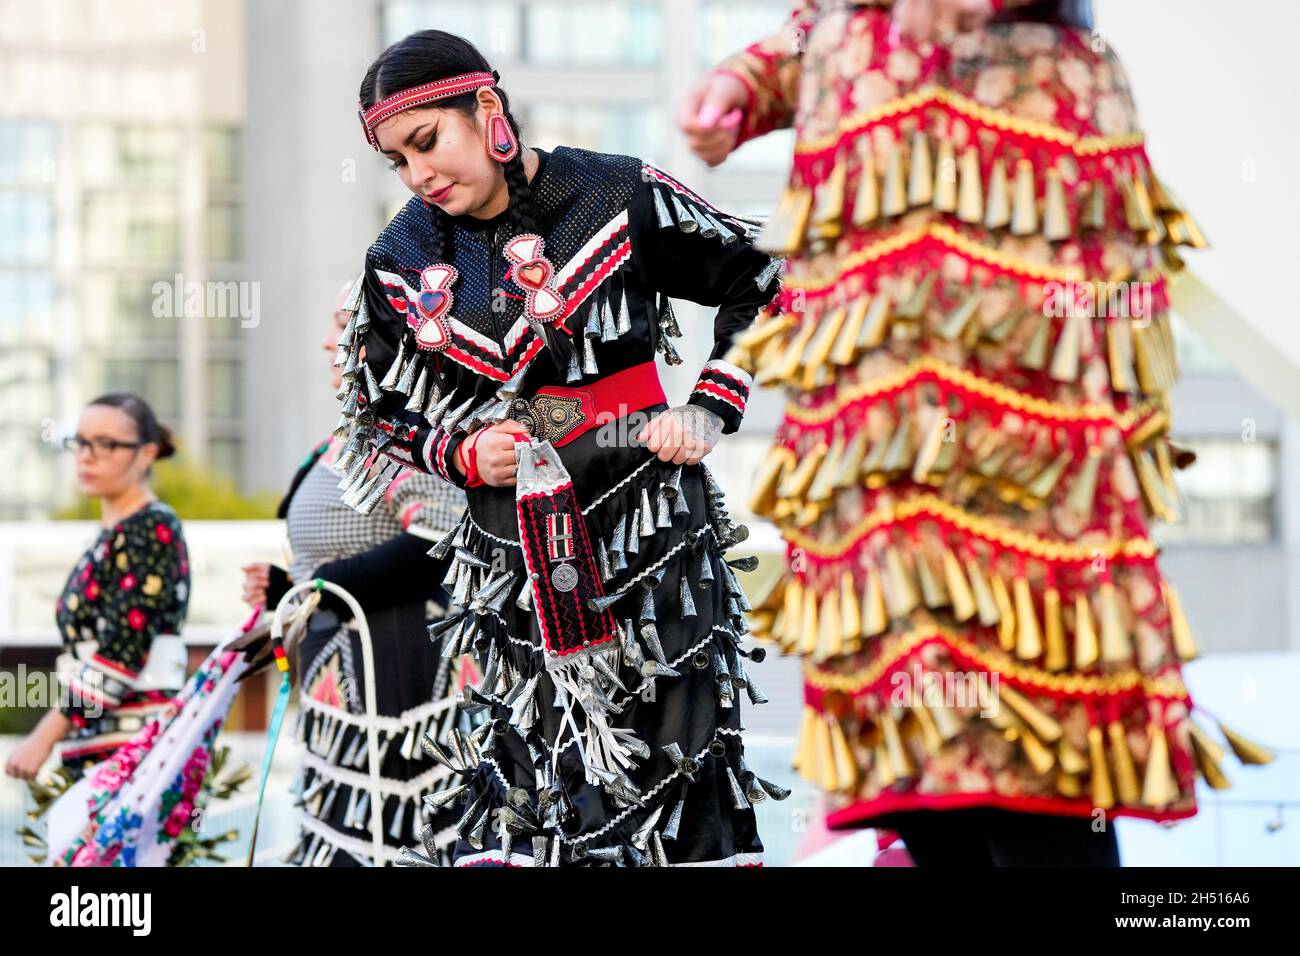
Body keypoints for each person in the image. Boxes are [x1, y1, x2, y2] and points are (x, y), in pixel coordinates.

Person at [681, 0, 1272, 865]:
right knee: (913, 766)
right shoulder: (851, 28)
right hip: (873, 452)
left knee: (1042, 772)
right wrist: (737, 83)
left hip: (1021, 467)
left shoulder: (1062, 69)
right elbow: (800, 39)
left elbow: (1117, 286)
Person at [335, 29, 787, 867]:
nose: (420, 175)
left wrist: (711, 406)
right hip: (510, 566)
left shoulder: (616, 192)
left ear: (487, 109)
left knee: (670, 769)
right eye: (398, 161)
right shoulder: (398, 258)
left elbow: (763, 279)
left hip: (649, 535)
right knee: (529, 785)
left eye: (428, 142)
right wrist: (458, 453)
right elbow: (373, 403)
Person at [239, 280, 471, 866]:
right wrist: (287, 588)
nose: (325, 344)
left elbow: (437, 542)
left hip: (401, 682)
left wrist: (321, 590)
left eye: (342, 329)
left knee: (392, 844)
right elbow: (329, 564)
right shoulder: (355, 435)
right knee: (342, 835)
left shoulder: (413, 435)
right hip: (347, 683)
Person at [5, 393, 189, 782]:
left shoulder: (151, 528)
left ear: (146, 454)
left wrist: (43, 737)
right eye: (81, 442)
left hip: (135, 760)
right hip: (100, 752)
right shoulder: (113, 533)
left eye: (105, 444)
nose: (86, 456)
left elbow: (122, 651)